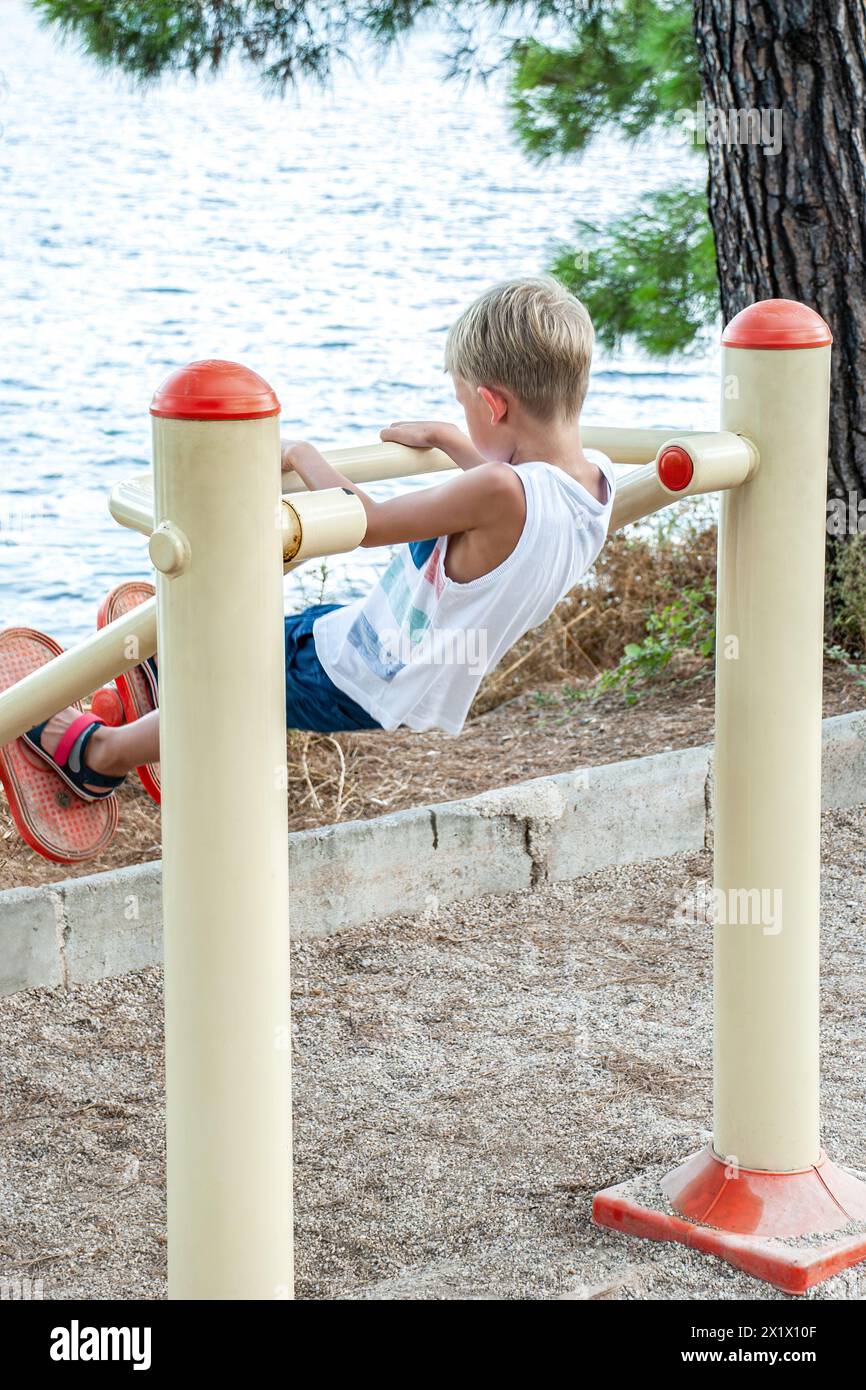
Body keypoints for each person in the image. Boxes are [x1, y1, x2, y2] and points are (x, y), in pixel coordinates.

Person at [23, 275, 615, 802]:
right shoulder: (596, 482)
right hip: (380, 652)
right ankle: (168, 692)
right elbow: (511, 492)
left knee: (232, 680)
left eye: (463, 407)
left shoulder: (500, 491)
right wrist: (447, 435)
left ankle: (98, 757)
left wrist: (304, 454)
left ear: (492, 403)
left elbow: (369, 523)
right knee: (257, 642)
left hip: (362, 675)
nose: (460, 422)